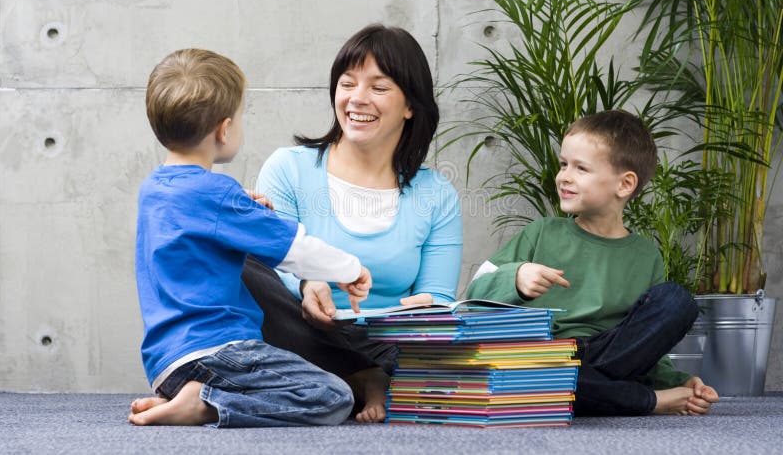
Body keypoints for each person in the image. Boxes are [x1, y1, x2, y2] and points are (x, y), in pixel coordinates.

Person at [129, 48, 373, 428]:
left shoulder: (153, 190)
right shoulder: (218, 194)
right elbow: (294, 249)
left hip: (166, 363)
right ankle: (207, 405)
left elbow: (198, 233)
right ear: (224, 129)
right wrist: (349, 268)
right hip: (220, 351)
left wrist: (242, 211)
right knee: (333, 396)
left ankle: (186, 396)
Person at [242, 24, 463, 423]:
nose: (357, 99)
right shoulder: (289, 168)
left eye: (379, 87)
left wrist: (428, 308)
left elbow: (439, 296)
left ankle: (353, 375)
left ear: (410, 105)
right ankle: (360, 377)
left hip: (386, 343)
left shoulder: (436, 193)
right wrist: (308, 286)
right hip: (298, 331)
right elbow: (272, 262)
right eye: (347, 84)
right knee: (240, 263)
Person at [466, 109, 720, 416]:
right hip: (549, 352)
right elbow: (473, 296)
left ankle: (587, 391)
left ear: (625, 184)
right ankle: (648, 400)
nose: (564, 176)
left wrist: (677, 380)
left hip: (611, 354)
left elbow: (646, 344)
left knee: (677, 301)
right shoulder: (541, 233)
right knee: (523, 371)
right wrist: (516, 278)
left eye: (581, 168)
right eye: (563, 164)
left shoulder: (645, 255)